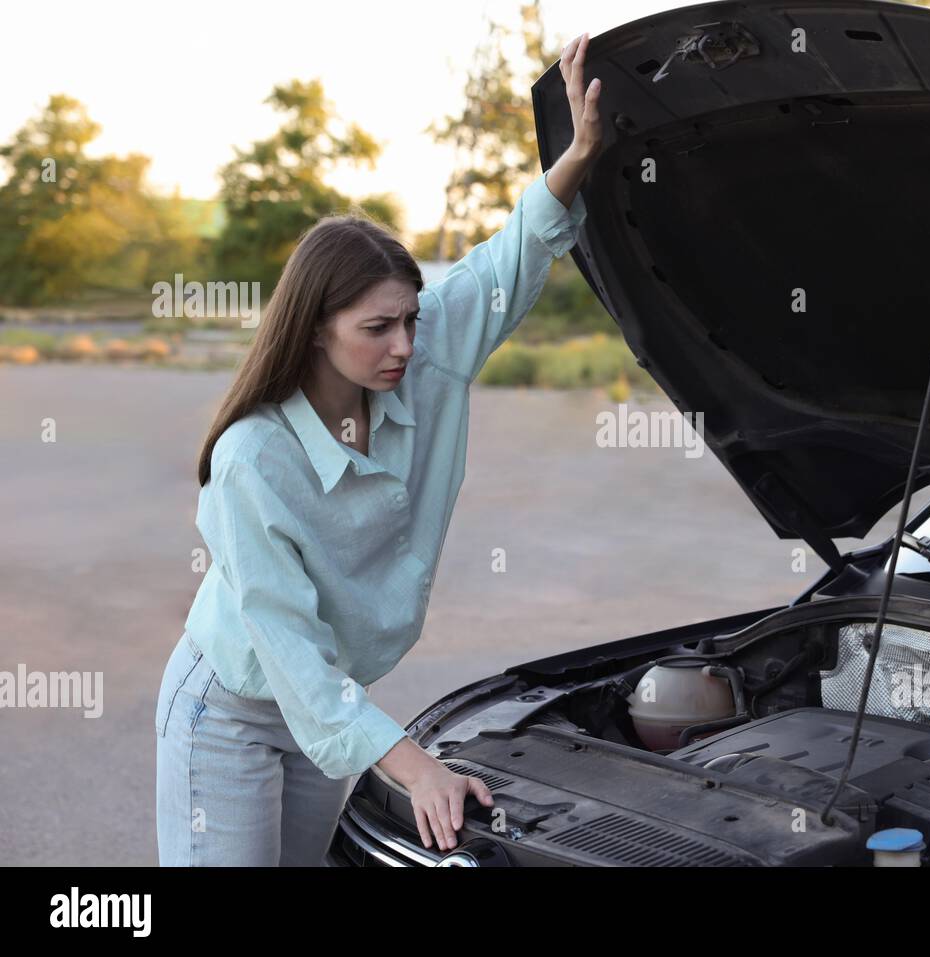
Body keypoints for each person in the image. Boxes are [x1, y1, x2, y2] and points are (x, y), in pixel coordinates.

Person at [154, 33, 603, 866]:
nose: (403, 344)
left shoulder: (423, 359)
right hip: (236, 714)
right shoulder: (253, 461)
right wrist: (417, 767)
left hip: (337, 712)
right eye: (377, 327)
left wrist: (578, 155)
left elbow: (507, 259)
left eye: (410, 318)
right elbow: (294, 660)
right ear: (317, 330)